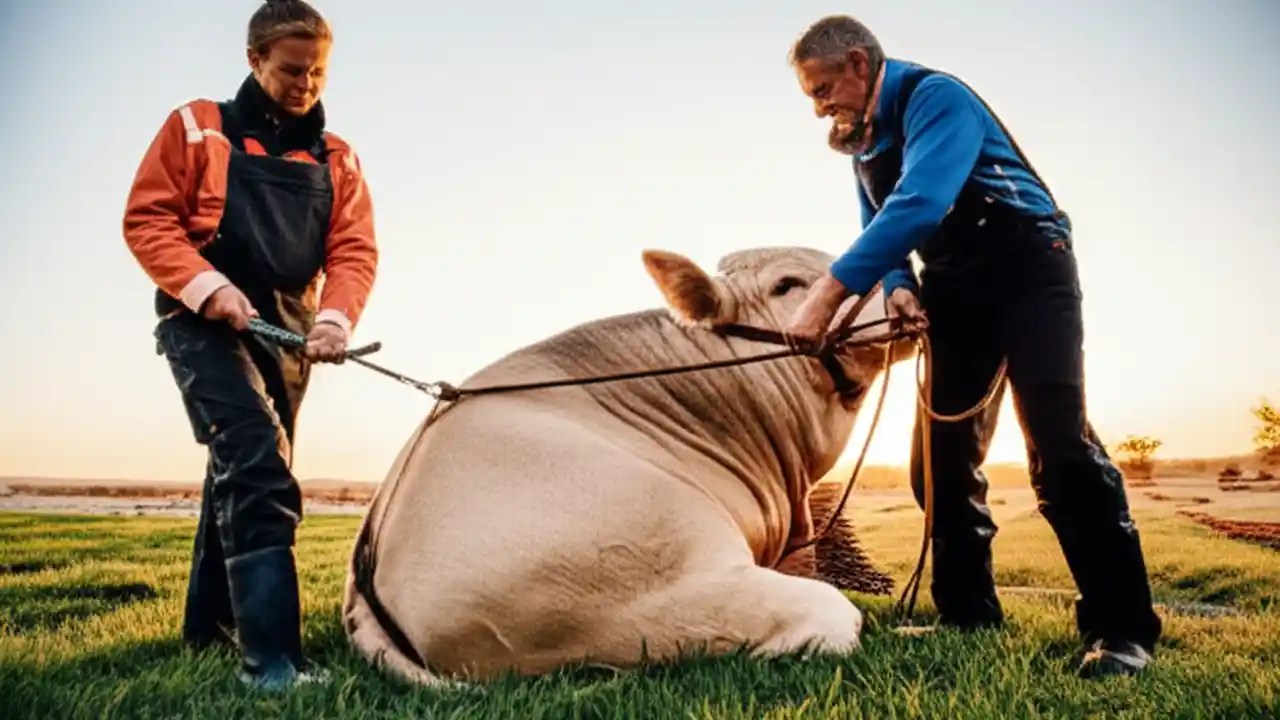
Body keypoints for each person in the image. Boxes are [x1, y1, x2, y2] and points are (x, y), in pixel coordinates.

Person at [782, 15, 1163, 678]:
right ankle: (967, 616)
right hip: (952, 285)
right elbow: (882, 221)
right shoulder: (862, 142)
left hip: (1028, 265)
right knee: (939, 461)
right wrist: (899, 285)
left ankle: (1123, 629)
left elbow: (922, 202)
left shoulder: (937, 98)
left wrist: (825, 296)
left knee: (1059, 446)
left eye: (821, 89)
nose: (820, 109)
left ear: (858, 63)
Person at [122, 0, 377, 690]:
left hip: (292, 330)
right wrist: (207, 286)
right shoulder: (197, 126)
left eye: (317, 72)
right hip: (200, 320)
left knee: (237, 469)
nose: (305, 84)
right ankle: (272, 666)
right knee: (260, 463)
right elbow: (148, 221)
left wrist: (334, 322)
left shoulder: (338, 157)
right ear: (254, 59)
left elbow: (353, 251)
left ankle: (212, 630)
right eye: (292, 70)